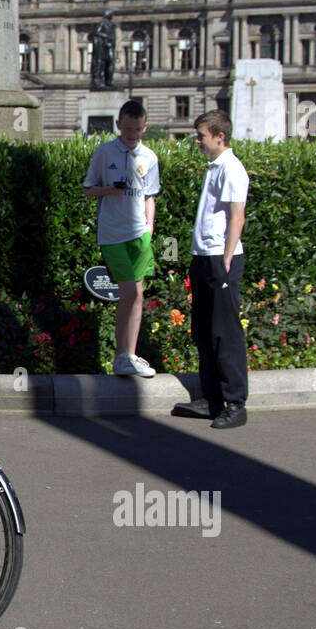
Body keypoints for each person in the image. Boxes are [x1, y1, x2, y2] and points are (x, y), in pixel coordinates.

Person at [172, 109, 249, 429]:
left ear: (220, 136)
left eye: (201, 135)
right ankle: (212, 398)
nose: (197, 139)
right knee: (203, 330)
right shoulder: (214, 167)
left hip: (221, 257)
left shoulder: (232, 168)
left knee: (225, 333)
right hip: (204, 255)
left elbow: (237, 216)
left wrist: (227, 258)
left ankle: (235, 403)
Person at [81, 99, 160, 377]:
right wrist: (108, 190)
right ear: (118, 126)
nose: (132, 135)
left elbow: (150, 195)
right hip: (113, 233)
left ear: (145, 127)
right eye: (127, 129)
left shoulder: (149, 157)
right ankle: (121, 356)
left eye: (137, 130)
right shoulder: (104, 153)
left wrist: (150, 227)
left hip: (139, 233)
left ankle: (130, 354)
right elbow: (88, 189)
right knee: (128, 292)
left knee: (137, 295)